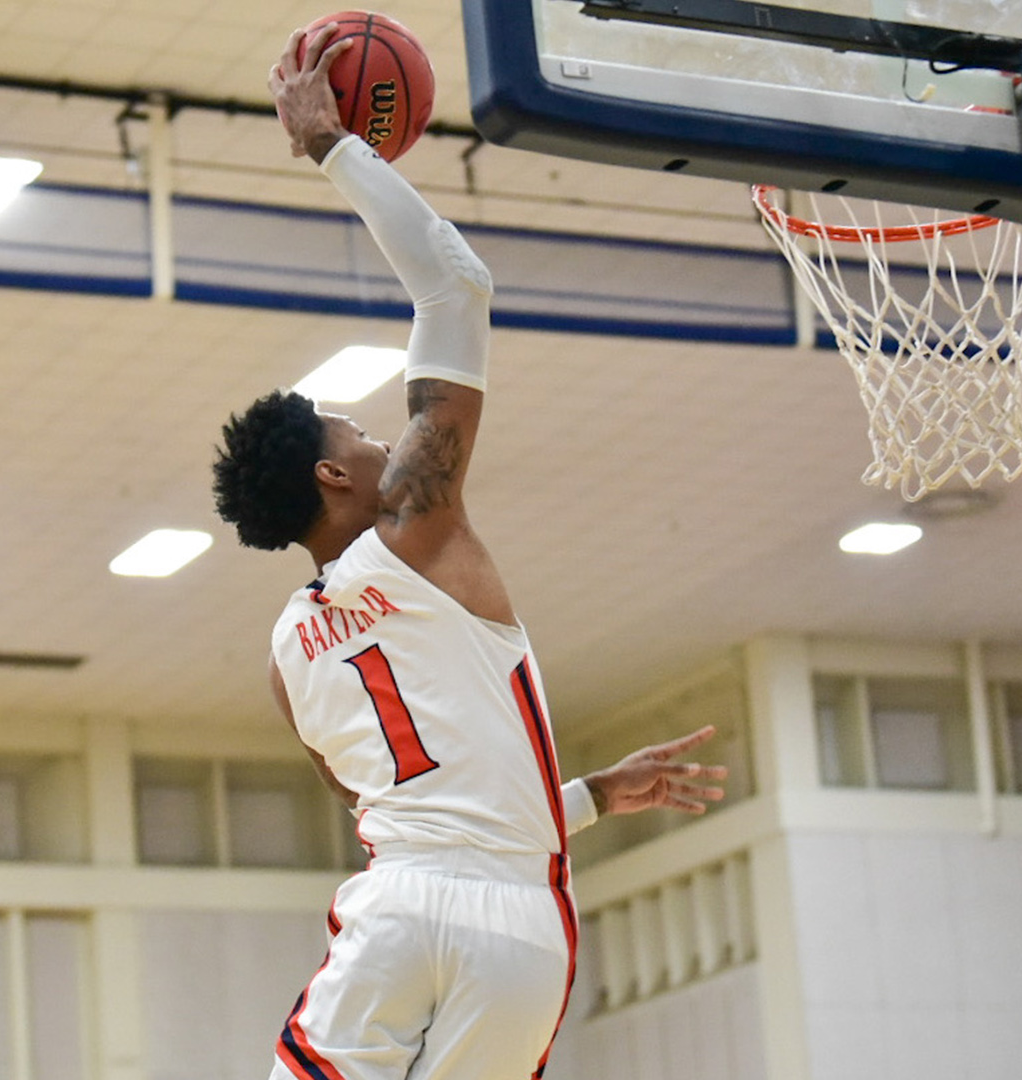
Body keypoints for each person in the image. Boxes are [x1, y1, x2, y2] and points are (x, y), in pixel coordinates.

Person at [210, 24, 728, 1080]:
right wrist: (334, 149)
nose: (372, 432)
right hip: (517, 935)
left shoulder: (286, 655)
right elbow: (455, 289)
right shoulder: (417, 523)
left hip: (397, 908)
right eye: (353, 430)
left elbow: (412, 808)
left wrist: (577, 795)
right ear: (335, 478)